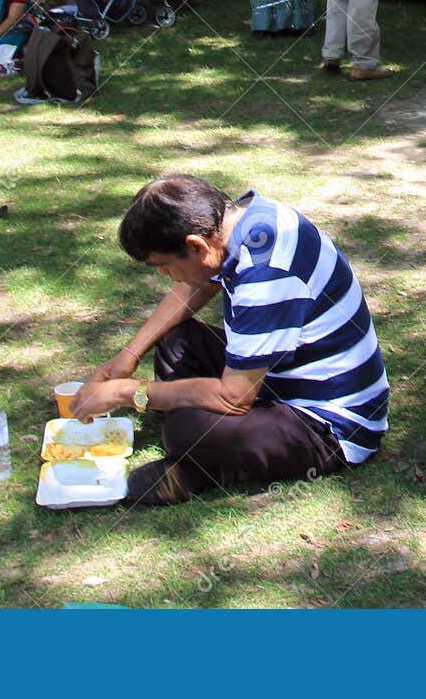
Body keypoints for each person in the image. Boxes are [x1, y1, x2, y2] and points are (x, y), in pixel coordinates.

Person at [73, 176, 389, 504]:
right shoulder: (246, 221)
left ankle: (207, 467)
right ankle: (209, 451)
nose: (163, 275)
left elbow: (233, 398)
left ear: (196, 245)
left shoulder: (266, 273)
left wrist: (127, 393)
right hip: (282, 377)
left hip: (330, 424)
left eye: (163, 266)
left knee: (185, 428)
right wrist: (130, 353)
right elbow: (201, 284)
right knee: (176, 343)